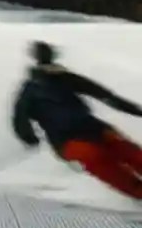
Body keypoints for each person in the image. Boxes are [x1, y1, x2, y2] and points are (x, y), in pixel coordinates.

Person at [12, 41, 142, 199]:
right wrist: (28, 135)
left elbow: (106, 96)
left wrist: (135, 110)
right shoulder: (30, 91)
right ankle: (137, 189)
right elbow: (20, 115)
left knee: (122, 146)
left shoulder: (66, 78)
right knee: (94, 155)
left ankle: (135, 185)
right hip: (66, 140)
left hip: (92, 127)